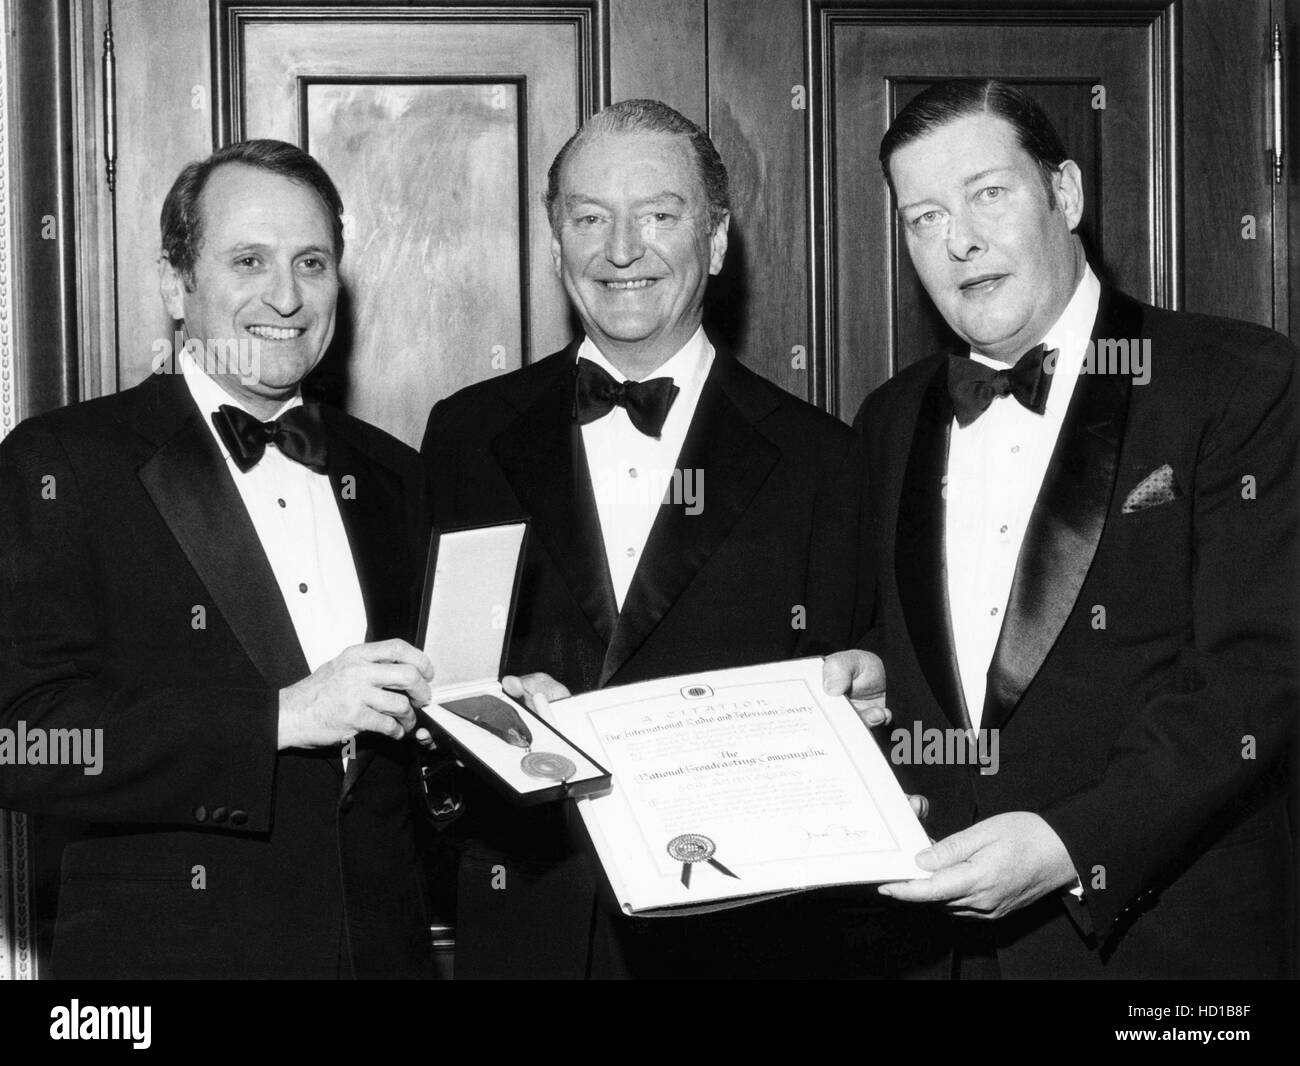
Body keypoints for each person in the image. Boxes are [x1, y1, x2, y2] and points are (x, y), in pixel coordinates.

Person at [422, 99, 883, 978]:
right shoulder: (465, 435)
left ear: (715, 242)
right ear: (556, 245)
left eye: (659, 216)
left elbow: (852, 702)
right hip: (526, 927)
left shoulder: (823, 457)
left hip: (745, 945)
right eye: (589, 218)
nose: (621, 249)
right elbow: (437, 689)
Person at [853, 79, 1297, 978]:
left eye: (988, 193)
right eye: (923, 217)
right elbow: (907, 653)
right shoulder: (889, 418)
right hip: (935, 951)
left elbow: (1260, 672)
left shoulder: (1237, 380)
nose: (959, 241)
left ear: (1066, 195)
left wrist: (1070, 843)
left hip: (1165, 958)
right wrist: (866, 677)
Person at [0, 139, 438, 979]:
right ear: (176, 284)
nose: (286, 295)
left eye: (312, 262)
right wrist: (278, 718)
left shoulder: (392, 473)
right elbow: (24, 739)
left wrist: (502, 721)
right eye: (249, 260)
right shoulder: (65, 462)